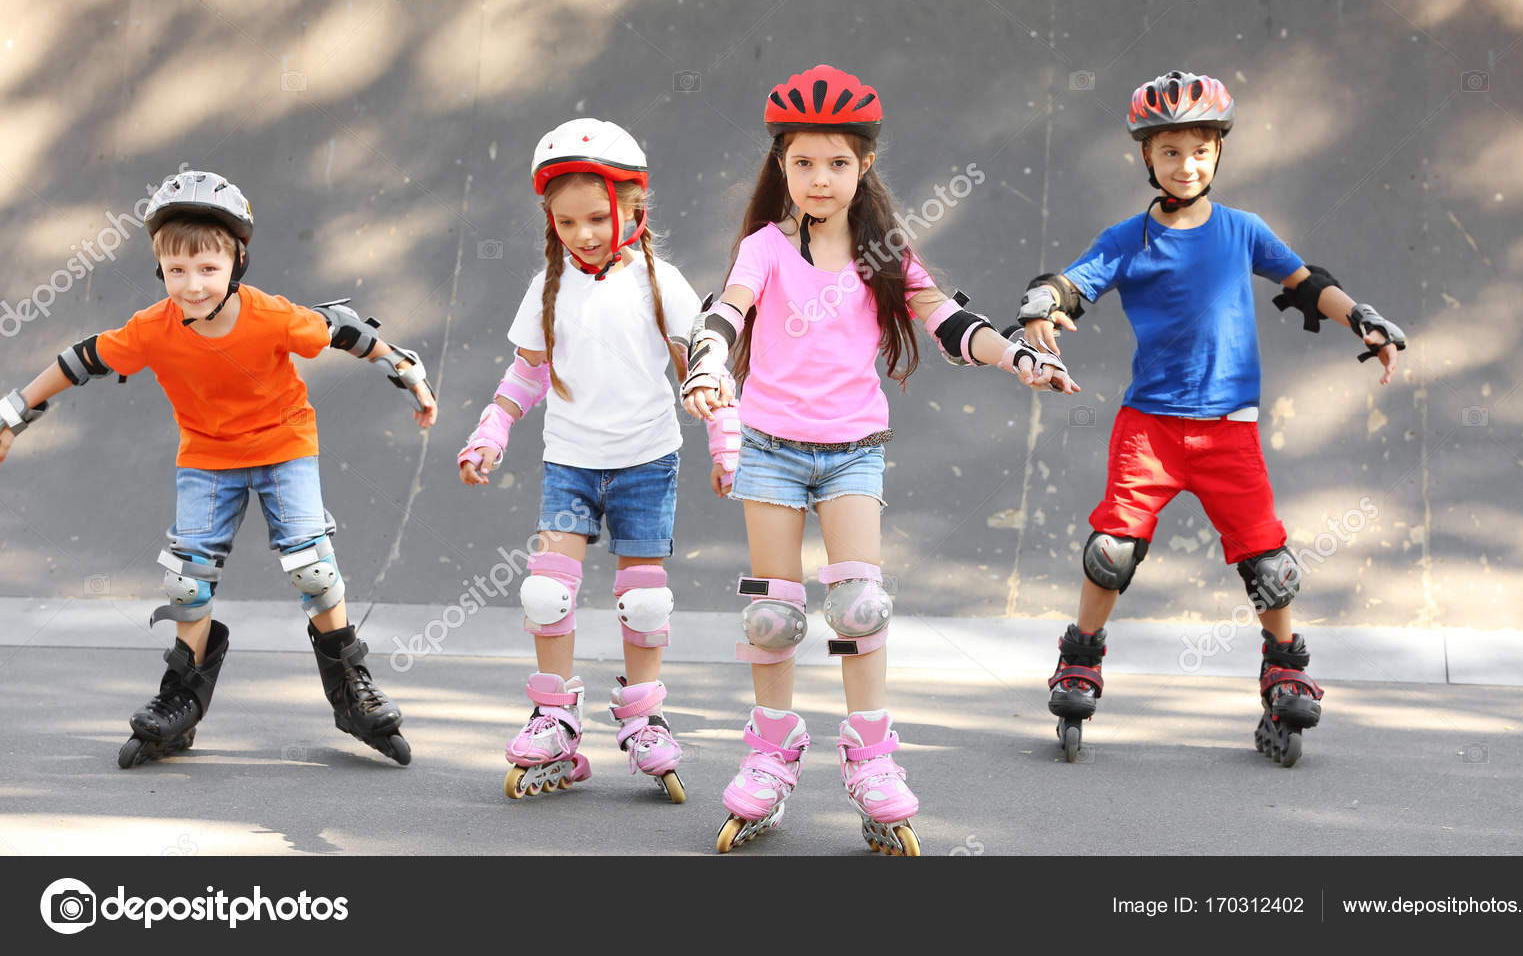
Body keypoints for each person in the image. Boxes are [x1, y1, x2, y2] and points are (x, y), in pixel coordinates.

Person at [681, 65, 1077, 854]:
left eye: (836, 161)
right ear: (780, 167)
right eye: (801, 162)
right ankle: (769, 756)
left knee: (859, 606)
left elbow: (948, 319)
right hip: (768, 446)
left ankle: (870, 761)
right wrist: (706, 365)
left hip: (852, 449)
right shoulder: (764, 247)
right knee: (772, 613)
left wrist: (1019, 360)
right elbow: (726, 311)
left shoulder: (882, 252)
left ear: (864, 165)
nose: (818, 178)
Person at [1017, 70, 1407, 768]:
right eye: (1170, 151)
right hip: (1151, 429)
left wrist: (1365, 320)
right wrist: (1041, 307)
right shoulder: (1128, 238)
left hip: (1230, 428)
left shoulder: (1242, 230)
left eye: (1199, 149)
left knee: (1270, 563)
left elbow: (1307, 284)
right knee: (1112, 551)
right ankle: (1080, 659)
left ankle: (1284, 666)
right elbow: (1071, 283)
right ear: (1147, 159)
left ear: (1218, 152)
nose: (1186, 163)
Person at [0, 170, 437, 767]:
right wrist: (14, 412)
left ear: (236, 264)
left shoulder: (272, 316)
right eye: (177, 270)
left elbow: (344, 330)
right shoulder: (153, 329)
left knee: (311, 565)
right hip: (207, 457)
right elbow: (82, 359)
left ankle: (351, 691)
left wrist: (407, 372)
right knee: (187, 577)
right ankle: (180, 700)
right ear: (160, 269)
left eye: (207, 269)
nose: (193, 284)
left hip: (284, 445)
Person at [458, 119, 706, 804]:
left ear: (635, 209)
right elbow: (528, 372)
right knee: (545, 590)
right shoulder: (550, 285)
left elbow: (699, 369)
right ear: (550, 222)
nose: (585, 233)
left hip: (647, 461)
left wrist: (725, 430)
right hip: (571, 462)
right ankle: (554, 720)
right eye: (567, 222)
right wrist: (492, 429)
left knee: (645, 600)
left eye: (598, 217)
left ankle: (644, 718)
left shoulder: (665, 283)